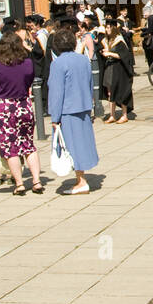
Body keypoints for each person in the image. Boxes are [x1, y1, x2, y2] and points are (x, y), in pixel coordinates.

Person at [47, 26, 97, 194]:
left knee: (71, 146)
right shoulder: (83, 59)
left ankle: (81, 181)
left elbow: (56, 91)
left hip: (67, 109)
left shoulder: (58, 63)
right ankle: (81, 178)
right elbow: (90, 83)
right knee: (82, 144)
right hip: (83, 106)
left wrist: (54, 116)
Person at [0, 31, 43, 195]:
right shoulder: (28, 64)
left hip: (5, 108)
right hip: (24, 105)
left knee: (10, 147)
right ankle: (36, 180)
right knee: (28, 145)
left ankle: (20, 183)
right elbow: (29, 81)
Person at [100, 17, 134, 123]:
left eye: (109, 28)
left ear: (114, 28)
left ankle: (124, 115)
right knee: (110, 92)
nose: (107, 30)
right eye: (106, 28)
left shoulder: (119, 40)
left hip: (120, 69)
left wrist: (109, 53)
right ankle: (112, 115)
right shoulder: (107, 40)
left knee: (121, 91)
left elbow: (123, 55)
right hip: (109, 68)